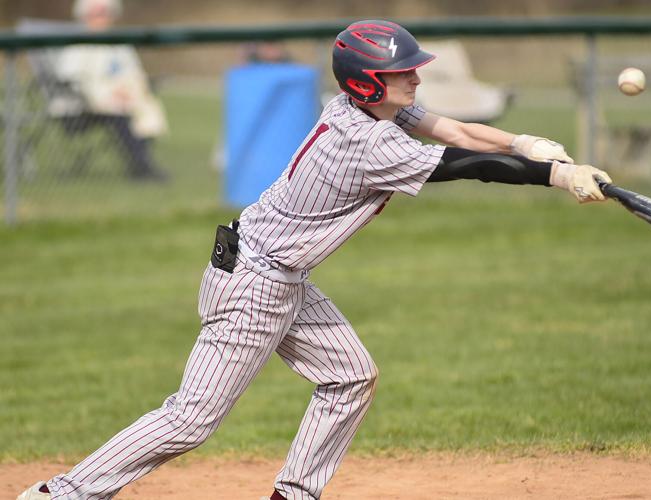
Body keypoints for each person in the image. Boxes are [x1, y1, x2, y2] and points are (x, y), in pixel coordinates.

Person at [18, 20, 611, 500]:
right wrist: (556, 175)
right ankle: (63, 494)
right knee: (191, 420)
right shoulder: (368, 142)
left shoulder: (362, 108)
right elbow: (464, 166)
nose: (412, 79)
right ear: (367, 83)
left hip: (279, 274)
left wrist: (522, 142)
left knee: (350, 377)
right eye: (399, 72)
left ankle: (295, 494)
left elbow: (450, 129)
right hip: (254, 283)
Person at [54, 0, 169, 181]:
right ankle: (141, 166)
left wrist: (128, 90)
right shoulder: (77, 45)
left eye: (105, 13)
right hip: (82, 106)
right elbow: (71, 81)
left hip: (122, 97)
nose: (101, 18)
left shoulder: (119, 45)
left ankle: (142, 164)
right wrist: (105, 94)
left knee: (146, 107)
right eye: (96, 13)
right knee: (119, 112)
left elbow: (132, 72)